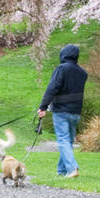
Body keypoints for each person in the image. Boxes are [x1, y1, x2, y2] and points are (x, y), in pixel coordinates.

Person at [37, 44, 88, 178]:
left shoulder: (61, 69)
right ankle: (62, 171)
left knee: (63, 140)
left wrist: (43, 107)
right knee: (68, 142)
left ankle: (72, 169)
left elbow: (52, 88)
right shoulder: (82, 73)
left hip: (61, 111)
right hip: (76, 112)